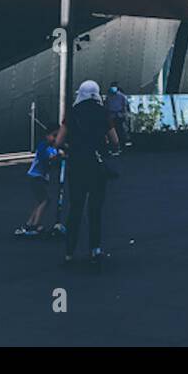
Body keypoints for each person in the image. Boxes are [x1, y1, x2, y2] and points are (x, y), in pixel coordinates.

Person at [51, 80, 118, 269]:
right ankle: (95, 249)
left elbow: (58, 142)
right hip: (96, 167)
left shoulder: (72, 114)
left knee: (76, 208)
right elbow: (115, 141)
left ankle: (69, 253)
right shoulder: (103, 113)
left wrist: (68, 147)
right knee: (95, 209)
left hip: (77, 165)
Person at [15, 129, 60, 237]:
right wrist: (54, 157)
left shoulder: (54, 149)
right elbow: (42, 157)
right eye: (54, 135)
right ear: (47, 136)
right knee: (45, 200)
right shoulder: (43, 145)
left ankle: (29, 223)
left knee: (41, 201)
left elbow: (54, 164)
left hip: (41, 178)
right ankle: (35, 225)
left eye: (57, 136)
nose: (55, 138)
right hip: (35, 177)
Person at [105, 81, 130, 150]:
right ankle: (113, 146)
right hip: (111, 116)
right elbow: (106, 106)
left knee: (120, 130)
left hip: (119, 115)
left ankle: (122, 145)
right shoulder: (108, 96)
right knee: (112, 131)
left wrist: (124, 115)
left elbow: (125, 106)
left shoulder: (121, 96)